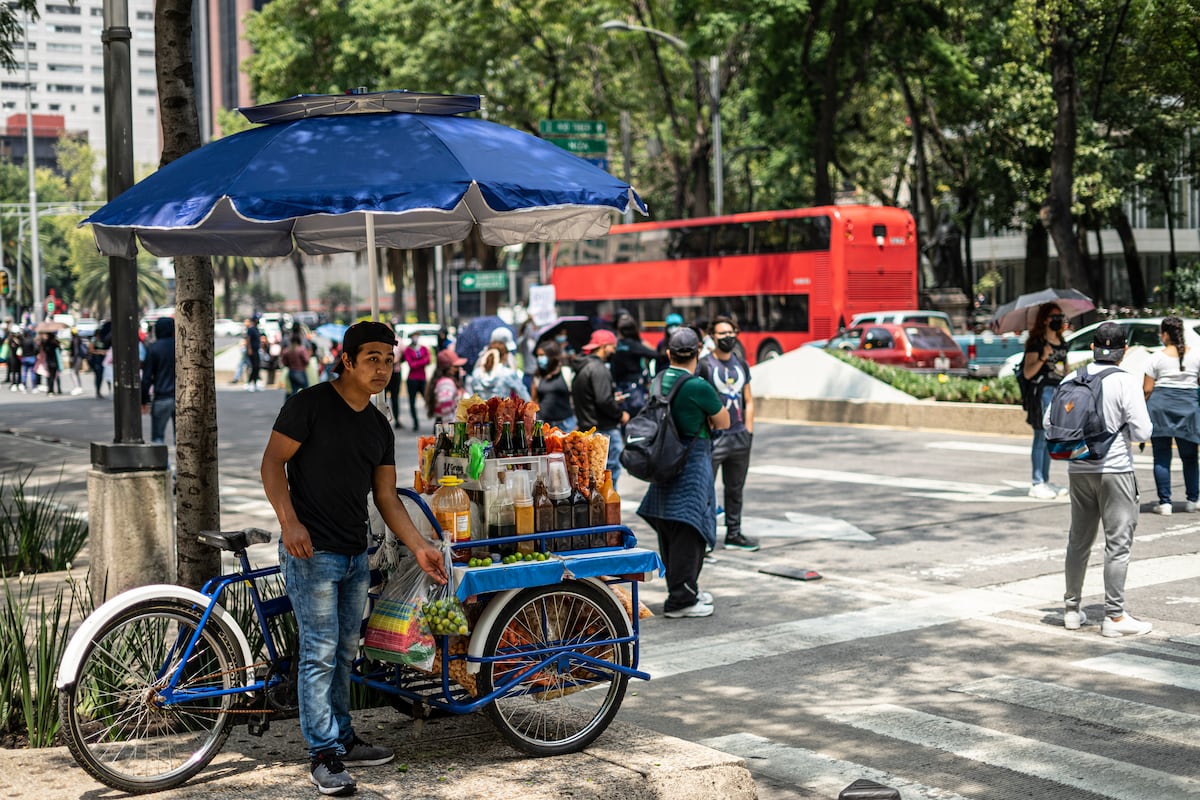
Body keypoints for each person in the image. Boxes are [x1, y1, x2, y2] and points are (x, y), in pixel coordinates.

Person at [261, 321, 448, 795]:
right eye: (372, 359)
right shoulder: (309, 405)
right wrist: (289, 522)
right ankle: (323, 754)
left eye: (388, 360)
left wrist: (419, 547)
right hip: (311, 553)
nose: (382, 369)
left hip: (354, 554)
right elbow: (271, 464)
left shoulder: (378, 426)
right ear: (347, 360)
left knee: (345, 651)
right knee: (320, 653)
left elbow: (386, 497)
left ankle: (342, 737)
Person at [1053, 322, 1154, 637]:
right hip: (1115, 470)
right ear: (1124, 350)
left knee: (1078, 541)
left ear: (1093, 348)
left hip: (1078, 468)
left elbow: (1049, 422)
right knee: (1117, 544)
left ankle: (1071, 610)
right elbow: (1143, 431)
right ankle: (1115, 617)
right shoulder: (1125, 381)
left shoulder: (1071, 378)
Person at [637, 326, 730, 618]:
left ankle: (684, 590)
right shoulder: (697, 386)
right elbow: (724, 421)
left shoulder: (659, 380)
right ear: (698, 351)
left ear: (668, 353)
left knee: (670, 526)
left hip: (664, 462)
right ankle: (681, 600)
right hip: (691, 463)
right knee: (691, 529)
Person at [699, 316, 760, 552]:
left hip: (740, 437)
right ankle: (705, 539)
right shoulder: (704, 365)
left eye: (731, 332)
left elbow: (749, 399)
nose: (728, 337)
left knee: (735, 489)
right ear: (712, 336)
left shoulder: (741, 364)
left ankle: (734, 534)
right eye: (722, 333)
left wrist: (748, 431)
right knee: (706, 490)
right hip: (715, 439)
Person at [1142, 316, 1200, 515]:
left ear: (1165, 334)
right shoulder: (1196, 355)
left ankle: (1165, 503)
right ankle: (1193, 500)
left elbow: (1147, 389)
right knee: (1190, 457)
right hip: (1188, 409)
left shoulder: (1156, 357)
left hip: (1160, 409)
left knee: (1161, 456)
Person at [1023, 303, 1070, 499]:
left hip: (1058, 392)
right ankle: (1037, 482)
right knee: (1040, 435)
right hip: (1042, 392)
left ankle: (1045, 480)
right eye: (1053, 316)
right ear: (1044, 319)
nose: (1057, 320)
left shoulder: (1061, 341)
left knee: (1049, 436)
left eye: (1060, 316)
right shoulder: (1037, 343)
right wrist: (1043, 357)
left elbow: (1064, 367)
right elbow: (1028, 372)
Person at [571, 329, 628, 483]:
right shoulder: (598, 369)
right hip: (603, 430)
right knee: (607, 474)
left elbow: (593, 397)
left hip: (588, 427)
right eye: (613, 347)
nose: (614, 351)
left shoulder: (583, 367)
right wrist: (620, 414)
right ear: (604, 346)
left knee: (595, 476)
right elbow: (603, 400)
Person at [610, 314, 659, 419]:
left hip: (618, 387)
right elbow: (655, 354)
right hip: (634, 388)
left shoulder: (616, 345)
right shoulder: (635, 345)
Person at [140, 317, 177, 444]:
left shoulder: (153, 348)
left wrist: (144, 399)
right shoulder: (181, 347)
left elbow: (146, 377)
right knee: (181, 438)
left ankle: (162, 457)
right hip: (181, 397)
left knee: (158, 438)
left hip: (162, 397)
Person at [531, 341, 575, 431]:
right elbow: (534, 400)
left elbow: (577, 397)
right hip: (545, 425)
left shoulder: (566, 372)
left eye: (542, 355)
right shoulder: (538, 376)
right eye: (538, 355)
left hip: (565, 425)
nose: (539, 358)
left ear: (552, 356)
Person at [426, 347, 467, 422]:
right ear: (447, 368)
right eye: (455, 366)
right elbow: (445, 408)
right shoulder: (446, 384)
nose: (458, 369)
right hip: (447, 423)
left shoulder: (446, 380)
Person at [401, 332, 431, 432]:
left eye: (417, 336)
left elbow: (428, 360)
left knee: (428, 400)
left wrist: (417, 362)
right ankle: (415, 422)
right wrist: (422, 361)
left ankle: (435, 419)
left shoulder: (423, 348)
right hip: (412, 379)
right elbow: (411, 365)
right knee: (412, 401)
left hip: (422, 378)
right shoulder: (408, 350)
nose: (415, 338)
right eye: (414, 336)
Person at [281, 335, 312, 400]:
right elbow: (306, 361)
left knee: (294, 390)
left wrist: (290, 365)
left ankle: (292, 404)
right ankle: (307, 403)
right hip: (300, 371)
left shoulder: (287, 350)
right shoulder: (301, 349)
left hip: (291, 372)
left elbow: (284, 362)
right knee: (306, 390)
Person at [516, 319, 538, 392]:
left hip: (537, 374)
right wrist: (528, 328)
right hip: (528, 374)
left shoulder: (536, 340)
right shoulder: (522, 341)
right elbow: (521, 343)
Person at [244, 317, 262, 392]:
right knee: (254, 366)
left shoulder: (256, 329)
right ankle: (249, 383)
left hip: (256, 350)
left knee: (257, 367)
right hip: (252, 350)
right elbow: (248, 339)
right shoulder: (251, 329)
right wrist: (249, 349)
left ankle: (255, 383)